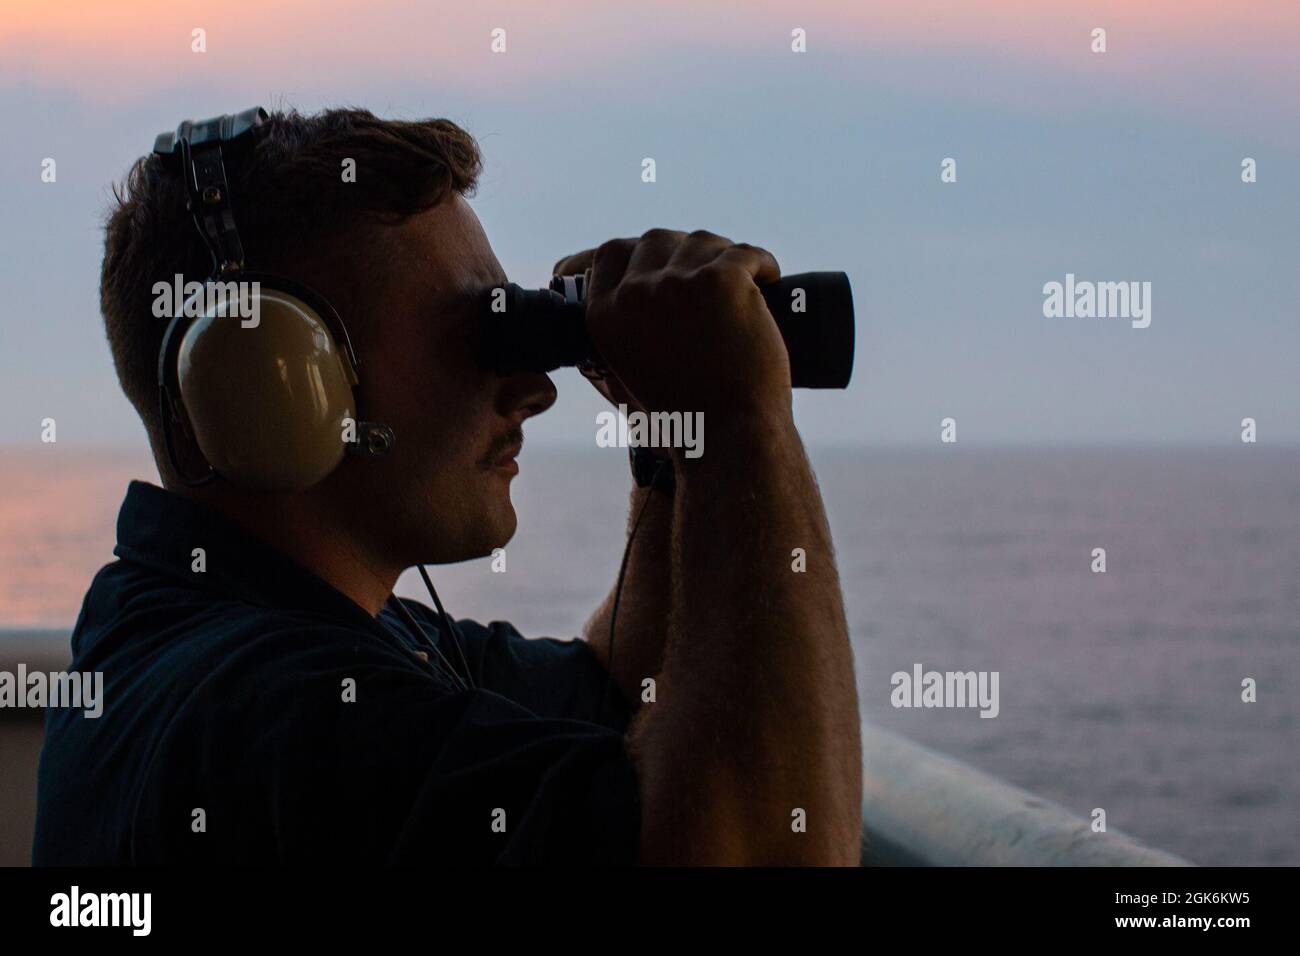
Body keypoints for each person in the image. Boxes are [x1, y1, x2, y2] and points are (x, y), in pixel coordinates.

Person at [33, 107, 861, 865]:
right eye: (478, 336)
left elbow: (618, 690)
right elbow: (761, 849)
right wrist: (743, 419)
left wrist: (673, 429)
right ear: (277, 383)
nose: (536, 386)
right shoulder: (276, 714)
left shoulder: (211, 623)